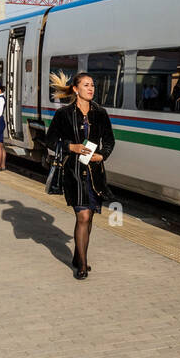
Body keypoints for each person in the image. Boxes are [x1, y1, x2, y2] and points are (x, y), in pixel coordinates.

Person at [47, 71, 115, 279]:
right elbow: (50, 140)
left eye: (92, 85)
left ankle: (78, 255)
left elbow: (110, 141)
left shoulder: (100, 113)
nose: (91, 88)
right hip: (73, 172)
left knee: (90, 216)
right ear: (76, 89)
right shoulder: (64, 114)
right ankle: (82, 266)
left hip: (95, 174)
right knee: (83, 215)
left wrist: (101, 156)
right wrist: (71, 146)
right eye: (86, 85)